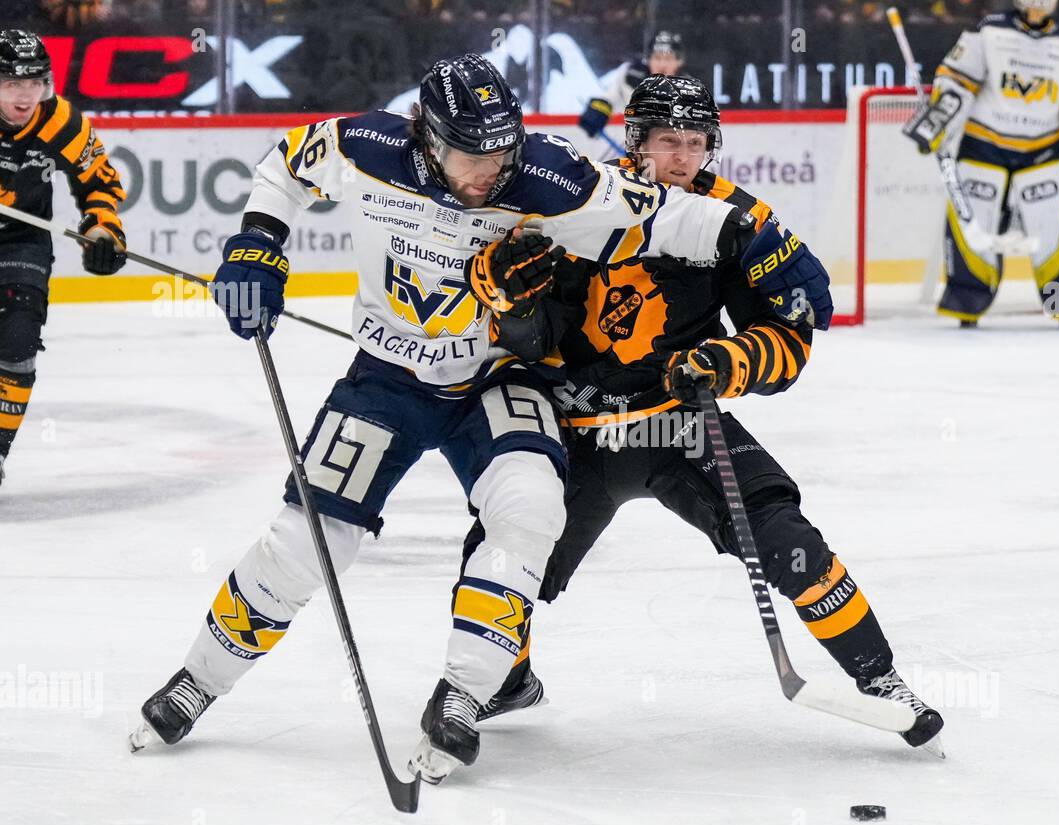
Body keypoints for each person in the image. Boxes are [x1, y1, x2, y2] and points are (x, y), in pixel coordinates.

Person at [130, 54, 819, 786]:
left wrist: (763, 243)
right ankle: (199, 680)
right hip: (384, 383)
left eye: (500, 151)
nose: (488, 171)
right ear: (426, 136)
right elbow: (287, 163)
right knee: (307, 541)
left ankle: (466, 693)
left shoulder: (550, 176)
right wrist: (257, 244)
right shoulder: (369, 147)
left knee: (528, 511)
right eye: (470, 153)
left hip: (496, 379)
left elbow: (661, 215)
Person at [467, 74, 945, 756]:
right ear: (635, 143)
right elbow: (532, 332)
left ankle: (880, 678)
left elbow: (793, 328)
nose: (683, 158)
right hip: (578, 429)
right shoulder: (576, 205)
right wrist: (510, 310)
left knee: (789, 539)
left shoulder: (733, 219)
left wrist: (729, 361)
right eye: (668, 142)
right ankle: (503, 678)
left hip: (677, 424)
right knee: (503, 546)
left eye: (696, 143)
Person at [902, 0, 1059, 326]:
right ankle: (967, 302)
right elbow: (956, 84)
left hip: (1042, 150)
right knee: (974, 231)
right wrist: (937, 122)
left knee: (1054, 228)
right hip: (984, 146)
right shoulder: (988, 31)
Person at [0, 29, 126, 489]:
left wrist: (102, 229)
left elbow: (99, 181)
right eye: (13, 83)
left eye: (34, 82)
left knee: (18, 339)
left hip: (22, 241)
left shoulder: (62, 121)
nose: (25, 95)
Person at [577, 30, 684, 159]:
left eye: (668, 59)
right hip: (629, 153)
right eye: (657, 58)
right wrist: (598, 109)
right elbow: (609, 97)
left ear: (679, 62)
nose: (662, 64)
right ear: (648, 60)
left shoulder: (689, 89)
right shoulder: (631, 76)